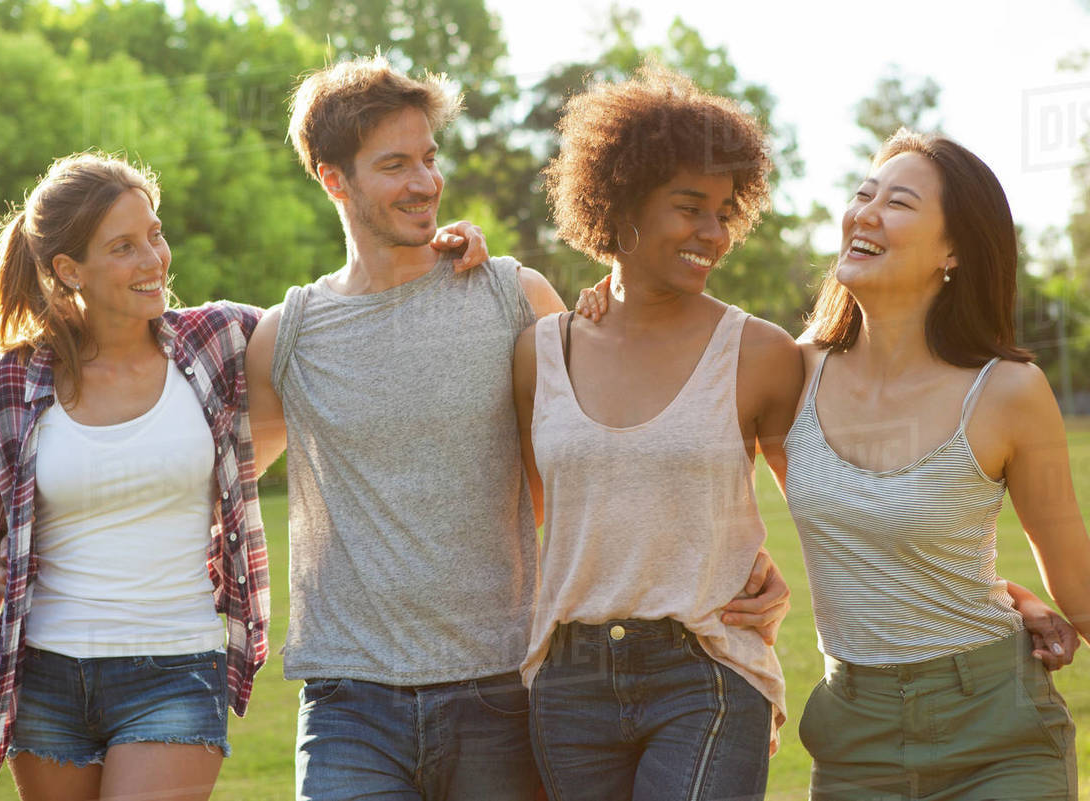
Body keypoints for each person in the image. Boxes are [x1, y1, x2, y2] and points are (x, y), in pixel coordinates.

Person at [243, 55, 791, 801]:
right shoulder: (289, 337)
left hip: (500, 689)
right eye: (395, 165)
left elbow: (588, 459)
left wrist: (729, 561)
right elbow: (217, 484)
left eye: (429, 158)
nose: (424, 181)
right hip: (349, 701)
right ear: (333, 179)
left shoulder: (512, 297)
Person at [0, 151, 486, 801]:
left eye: (155, 234)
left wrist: (427, 259)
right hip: (46, 677)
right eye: (124, 247)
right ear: (68, 269)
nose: (154, 260)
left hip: (176, 669)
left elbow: (338, 320)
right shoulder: (15, 382)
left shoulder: (218, 339)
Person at [512, 66, 798, 801]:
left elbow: (834, 510)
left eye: (724, 213)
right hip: (568, 681)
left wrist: (772, 581)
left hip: (706, 667)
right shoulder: (541, 352)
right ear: (620, 201)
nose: (714, 233)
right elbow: (534, 517)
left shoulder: (760, 354)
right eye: (689, 208)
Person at [782, 129, 1090, 799]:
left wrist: (1011, 596)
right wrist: (609, 290)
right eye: (863, 194)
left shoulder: (1008, 390)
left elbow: (1080, 587)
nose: (865, 213)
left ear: (954, 251)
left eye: (897, 203)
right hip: (852, 736)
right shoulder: (788, 371)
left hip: (1000, 728)